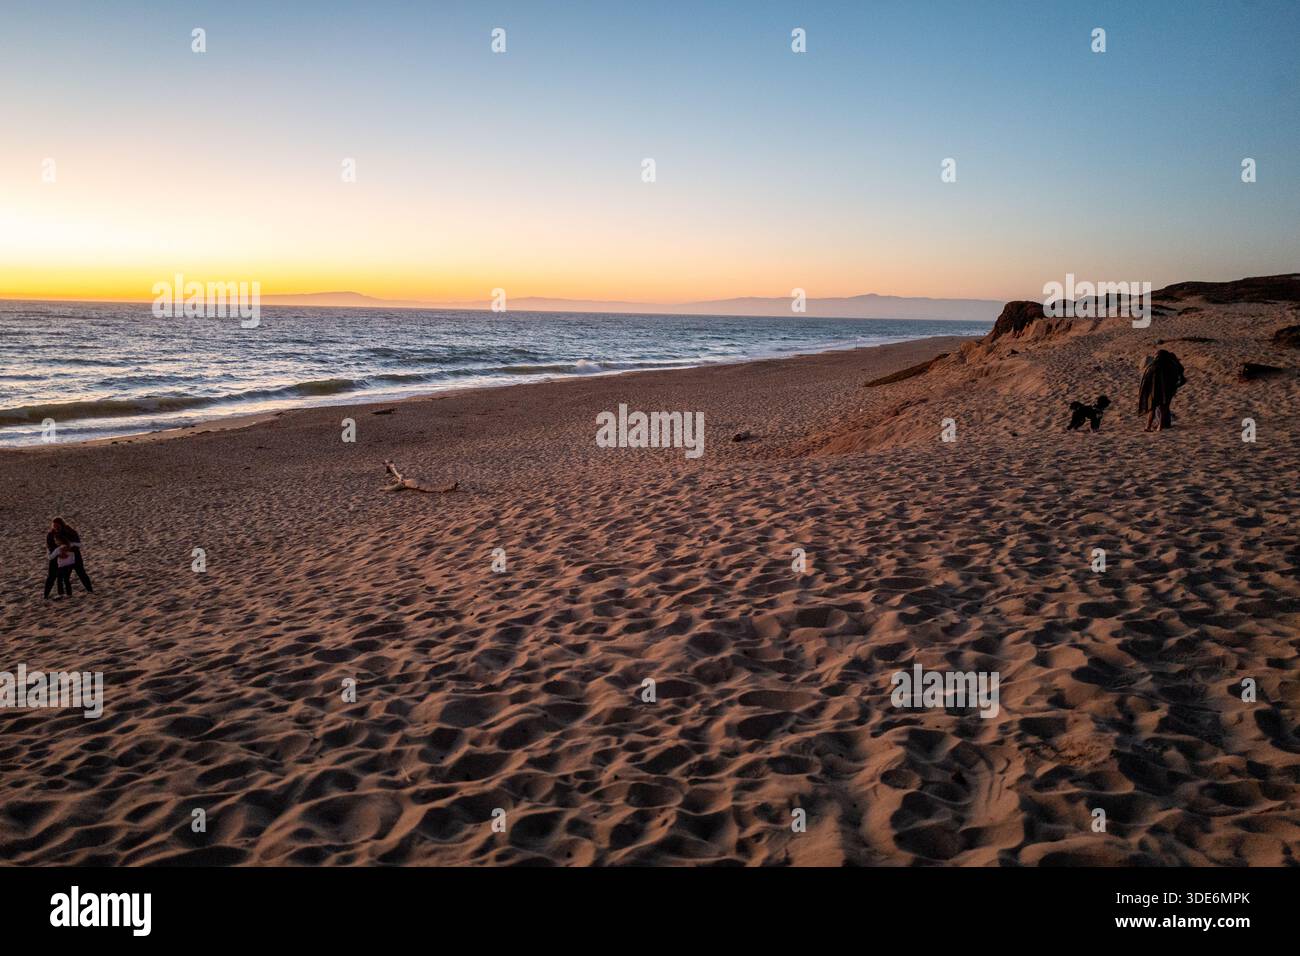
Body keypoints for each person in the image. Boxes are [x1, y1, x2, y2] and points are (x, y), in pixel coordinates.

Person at [43, 517, 93, 599]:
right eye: (54, 526)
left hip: (73, 555)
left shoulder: (70, 531)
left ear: (62, 525)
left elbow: (78, 544)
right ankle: (46, 596)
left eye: (57, 526)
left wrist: (68, 548)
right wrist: (59, 554)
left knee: (81, 573)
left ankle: (90, 591)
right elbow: (49, 547)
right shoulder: (50, 534)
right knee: (52, 576)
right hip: (57, 555)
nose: (56, 528)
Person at [1138, 349, 1186, 431]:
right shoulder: (1171, 364)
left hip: (1153, 389)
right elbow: (1180, 377)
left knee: (1152, 407)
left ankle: (1148, 426)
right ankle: (1160, 426)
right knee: (1164, 407)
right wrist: (1175, 386)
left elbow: (1145, 379)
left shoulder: (1152, 365)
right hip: (1166, 389)